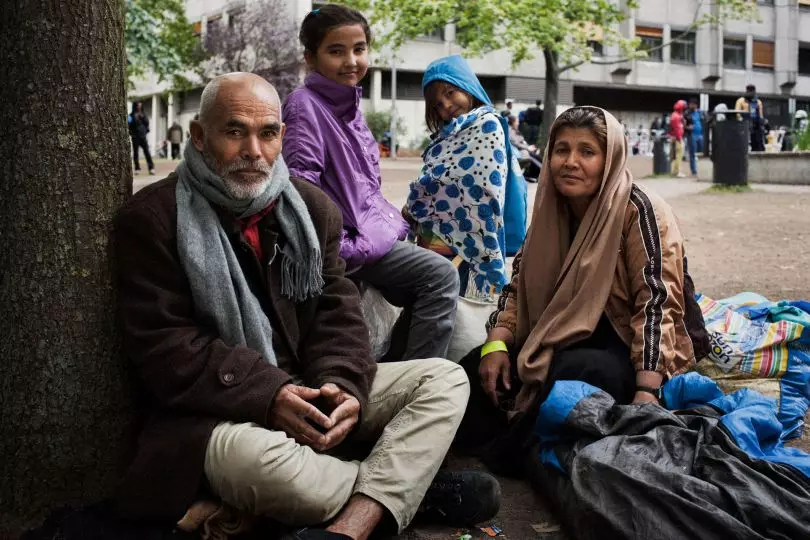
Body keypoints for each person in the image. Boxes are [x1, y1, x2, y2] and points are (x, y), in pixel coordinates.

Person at [114, 72, 500, 540]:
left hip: (312, 385)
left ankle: (350, 525)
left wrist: (340, 387)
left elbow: (339, 315)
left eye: (268, 133)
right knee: (286, 479)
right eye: (235, 132)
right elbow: (166, 348)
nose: (254, 151)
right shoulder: (152, 220)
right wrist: (271, 395)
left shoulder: (311, 209)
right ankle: (405, 489)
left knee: (445, 379)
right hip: (216, 413)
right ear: (199, 136)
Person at [454, 106, 709, 474]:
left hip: (626, 339)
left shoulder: (640, 209)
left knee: (574, 374)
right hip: (559, 328)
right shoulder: (551, 209)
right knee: (476, 370)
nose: (570, 162)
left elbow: (657, 303)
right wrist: (497, 342)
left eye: (587, 152)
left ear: (610, 158)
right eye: (562, 150)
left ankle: (512, 451)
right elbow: (519, 283)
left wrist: (647, 390)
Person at [282, 4, 459, 362]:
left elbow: (364, 187)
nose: (351, 61)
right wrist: (344, 249)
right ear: (310, 58)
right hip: (350, 248)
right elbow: (302, 195)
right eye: (336, 51)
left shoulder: (346, 103)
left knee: (442, 263)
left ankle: (396, 368)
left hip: (370, 237)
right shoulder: (305, 106)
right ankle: (422, 381)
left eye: (359, 49)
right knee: (440, 277)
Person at [405, 54, 527, 302]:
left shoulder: (487, 125)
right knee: (433, 302)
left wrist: (420, 198)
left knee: (456, 307)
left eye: (450, 93)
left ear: (467, 85)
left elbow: (480, 186)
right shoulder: (449, 133)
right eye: (438, 104)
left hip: (467, 238)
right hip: (433, 238)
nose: (446, 105)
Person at [508, 115, 542, 181]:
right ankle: (541, 172)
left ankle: (540, 172)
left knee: (536, 156)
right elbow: (516, 143)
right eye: (517, 121)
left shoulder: (514, 129)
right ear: (513, 122)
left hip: (523, 149)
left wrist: (528, 146)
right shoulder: (510, 131)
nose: (518, 123)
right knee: (532, 158)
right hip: (520, 151)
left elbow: (520, 141)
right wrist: (527, 148)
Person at [735, 84, 766, 151]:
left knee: (756, 145)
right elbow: (738, 114)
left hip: (755, 126)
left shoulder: (757, 101)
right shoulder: (741, 101)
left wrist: (761, 126)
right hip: (745, 125)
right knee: (745, 144)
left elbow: (760, 116)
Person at [128, 101, 155, 175]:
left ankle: (151, 168)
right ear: (135, 106)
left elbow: (147, 124)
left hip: (143, 136)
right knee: (136, 153)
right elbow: (128, 125)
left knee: (147, 152)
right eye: (138, 106)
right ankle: (137, 168)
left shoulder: (144, 114)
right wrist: (131, 133)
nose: (139, 107)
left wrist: (143, 118)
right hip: (135, 137)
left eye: (140, 105)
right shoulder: (131, 115)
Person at [669, 100, 686, 177]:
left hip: (675, 137)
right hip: (677, 138)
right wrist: (680, 138)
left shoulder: (675, 115)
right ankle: (677, 172)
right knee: (679, 155)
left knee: (674, 155)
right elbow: (677, 129)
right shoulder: (676, 116)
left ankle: (674, 171)